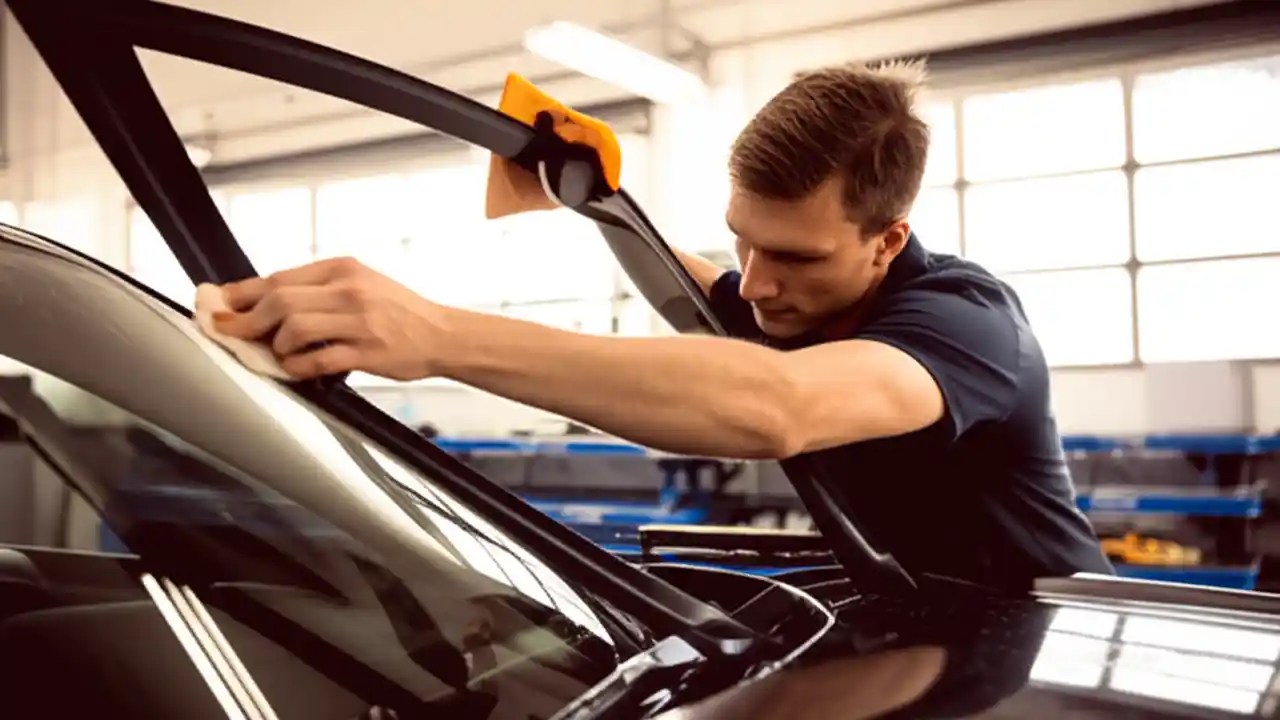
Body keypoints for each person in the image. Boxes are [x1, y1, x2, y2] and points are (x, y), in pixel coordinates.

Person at [210, 59, 1112, 591]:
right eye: (746, 244)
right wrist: (599, 200)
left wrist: (438, 336)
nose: (757, 287)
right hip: (913, 612)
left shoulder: (967, 324)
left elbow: (779, 409)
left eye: (794, 258)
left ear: (888, 242)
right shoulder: (791, 293)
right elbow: (697, 284)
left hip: (1046, 624)